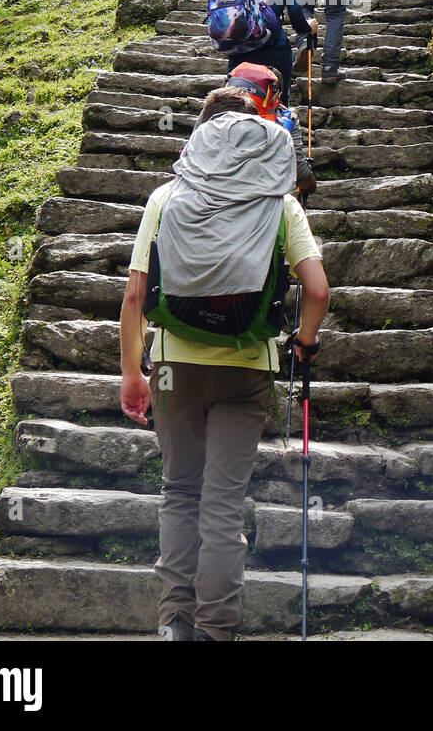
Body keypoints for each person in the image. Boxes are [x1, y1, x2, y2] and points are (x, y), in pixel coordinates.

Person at [120, 87, 330, 644]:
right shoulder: (281, 204)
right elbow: (317, 290)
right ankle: (217, 631)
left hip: (171, 369)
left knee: (180, 491)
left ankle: (174, 623)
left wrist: (133, 373)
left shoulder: (166, 197)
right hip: (248, 369)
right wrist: (304, 343)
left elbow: (136, 299)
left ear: (202, 134)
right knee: (222, 502)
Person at [226, 61, 316, 197]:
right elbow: (298, 169)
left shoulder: (216, 106)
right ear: (277, 95)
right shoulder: (286, 117)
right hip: (261, 195)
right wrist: (309, 184)